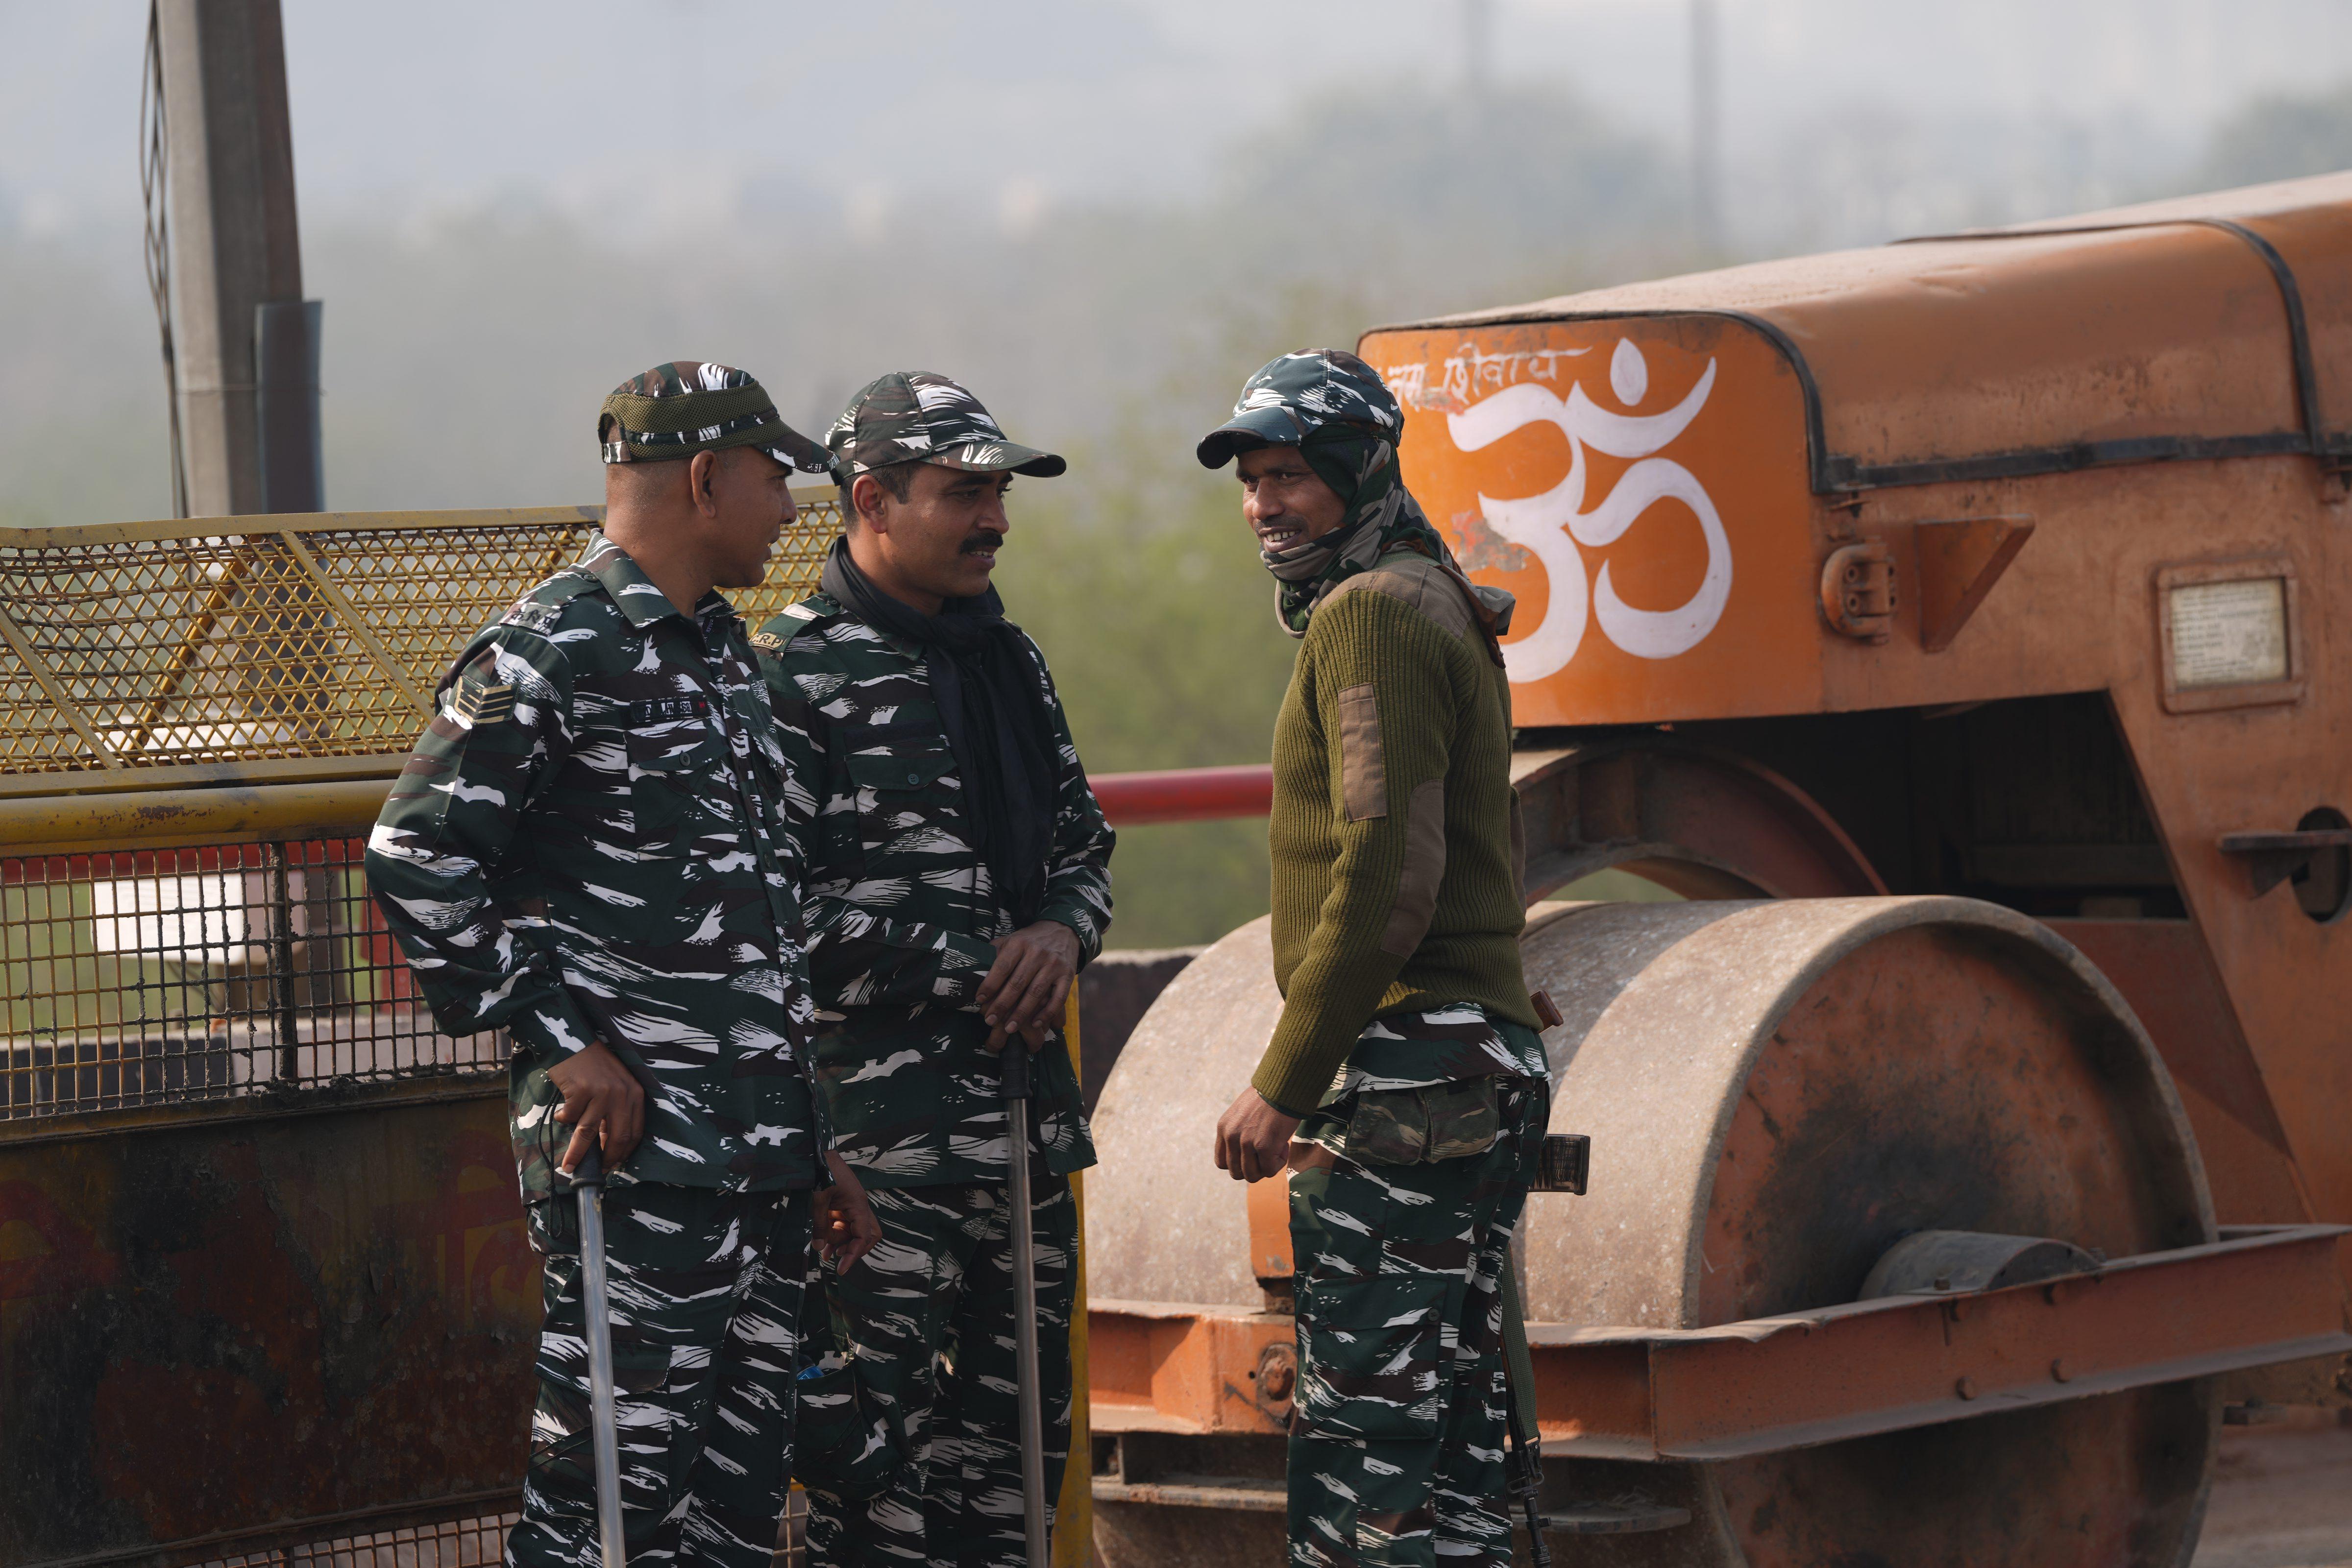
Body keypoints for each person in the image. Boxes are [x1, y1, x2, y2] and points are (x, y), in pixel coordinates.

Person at [365, 361, 881, 1568]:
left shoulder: (720, 657)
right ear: (706, 478)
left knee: (737, 1522)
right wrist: (563, 1042)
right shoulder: (557, 649)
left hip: (756, 1172)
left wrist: (810, 1141)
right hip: (637, 1178)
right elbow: (416, 848)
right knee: (606, 1511)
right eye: (774, 478)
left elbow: (753, 929)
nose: (793, 508)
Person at [751, 371, 1114, 1568]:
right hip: (874, 1160)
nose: (995, 519)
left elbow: (1081, 850)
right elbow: (763, 921)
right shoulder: (791, 680)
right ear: (870, 498)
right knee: (877, 1484)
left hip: (1018, 1138)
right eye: (964, 492)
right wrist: (974, 961)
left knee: (1015, 1475)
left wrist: (1061, 931)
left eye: (1000, 492)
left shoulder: (1012, 662)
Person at [1197, 350, 1550, 1568]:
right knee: (1450, 1453)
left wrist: (1286, 1076)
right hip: (1459, 1065)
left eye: (1290, 474)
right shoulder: (1428, 593)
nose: (1264, 505)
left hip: (1406, 1078)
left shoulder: (1371, 617)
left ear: (1358, 473)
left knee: (1367, 1463)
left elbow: (1388, 866)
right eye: (1251, 481)